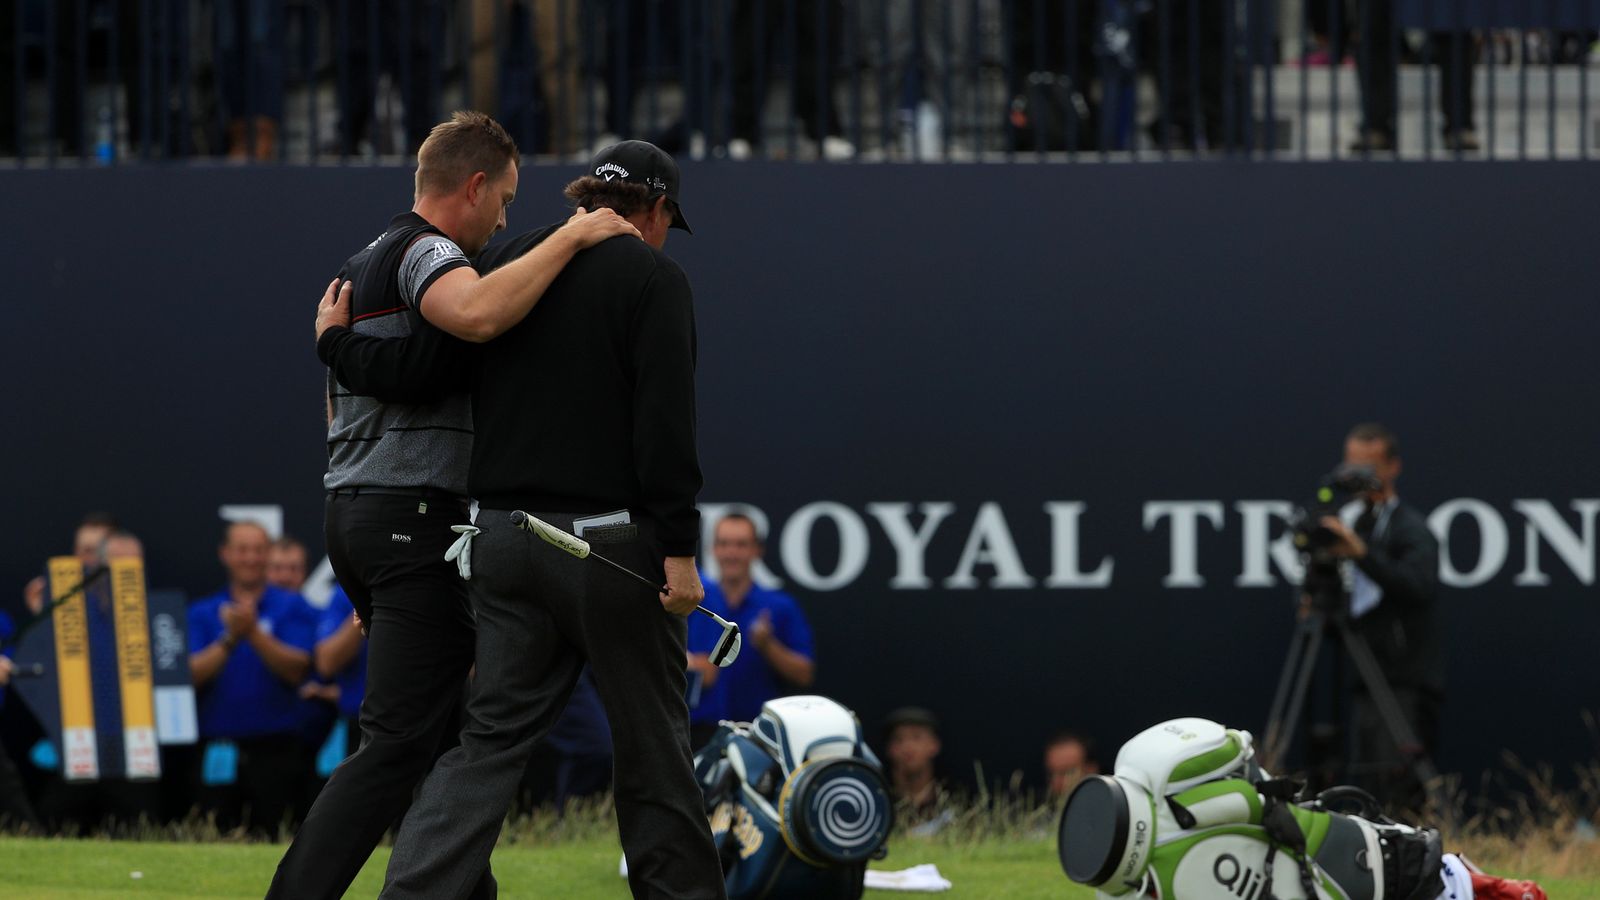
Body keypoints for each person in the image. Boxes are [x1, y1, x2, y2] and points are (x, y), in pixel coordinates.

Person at [269, 111, 635, 899]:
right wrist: (570, 239)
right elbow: (475, 314)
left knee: (438, 743)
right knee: (400, 743)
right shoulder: (430, 252)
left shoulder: (359, 263)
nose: (503, 217)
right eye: (501, 199)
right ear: (471, 187)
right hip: (415, 523)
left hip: (360, 516)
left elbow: (339, 412)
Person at [374, 139, 726, 900]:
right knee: (654, 749)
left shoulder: (507, 264)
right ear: (657, 210)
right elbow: (666, 428)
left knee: (489, 745)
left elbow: (431, 372)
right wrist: (681, 550)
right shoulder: (654, 276)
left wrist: (336, 343)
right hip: (607, 548)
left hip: (500, 539)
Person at [1317, 422, 1442, 814]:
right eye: (1351, 466)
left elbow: (1417, 586)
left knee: (1398, 784)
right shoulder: (1350, 520)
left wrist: (1361, 554)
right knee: (1364, 781)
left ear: (1392, 467)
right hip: (1361, 674)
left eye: (1367, 467)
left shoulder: (1412, 528)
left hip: (1404, 680)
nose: (1358, 477)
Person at [187, 521, 318, 837]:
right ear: (226, 554)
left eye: (258, 550)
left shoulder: (293, 606)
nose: (250, 558)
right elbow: (189, 676)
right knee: (212, 840)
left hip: (278, 749)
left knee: (278, 841)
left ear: (268, 554)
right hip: (218, 748)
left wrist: (253, 633)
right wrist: (230, 639)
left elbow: (298, 668)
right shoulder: (202, 612)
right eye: (242, 549)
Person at [689, 513, 815, 748]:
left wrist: (769, 646)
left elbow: (804, 674)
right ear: (713, 549)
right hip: (702, 736)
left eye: (741, 544)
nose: (731, 553)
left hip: (761, 737)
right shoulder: (696, 604)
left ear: (757, 550)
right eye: (724, 544)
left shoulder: (780, 607)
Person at [882, 706, 949, 829]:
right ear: (889, 749)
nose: (908, 747)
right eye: (899, 739)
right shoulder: (879, 805)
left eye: (916, 737)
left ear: (934, 745)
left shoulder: (952, 803)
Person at [1043, 730, 1099, 802]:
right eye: (1050, 775)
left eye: (1066, 773)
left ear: (1091, 770)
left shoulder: (1112, 808)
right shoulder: (1040, 808)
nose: (1056, 783)